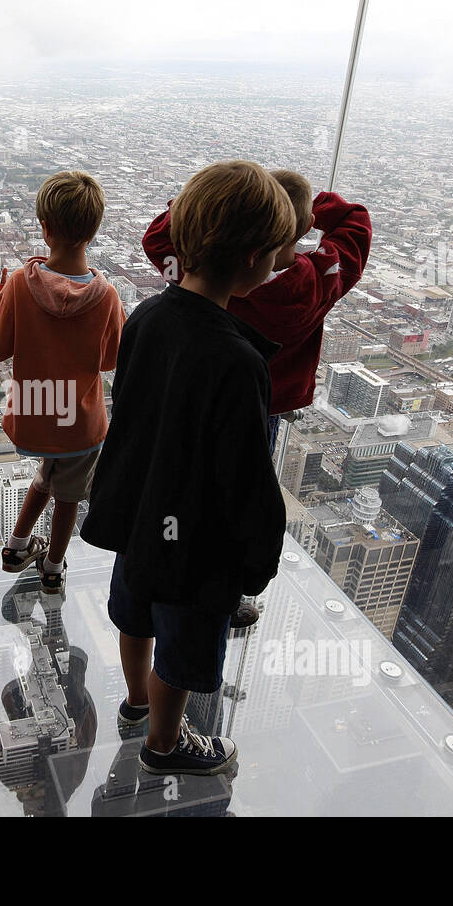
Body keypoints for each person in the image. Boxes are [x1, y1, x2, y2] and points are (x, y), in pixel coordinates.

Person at [81, 160, 295, 776]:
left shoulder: (147, 316)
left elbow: (137, 422)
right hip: (195, 538)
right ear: (255, 257)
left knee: (135, 611)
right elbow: (245, 476)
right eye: (278, 252)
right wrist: (254, 559)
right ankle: (164, 746)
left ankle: (133, 702)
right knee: (184, 639)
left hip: (146, 518)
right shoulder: (237, 359)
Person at [142, 169, 371, 628]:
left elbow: (159, 237)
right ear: (300, 229)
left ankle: (163, 558)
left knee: (177, 485)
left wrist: (245, 191)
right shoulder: (312, 282)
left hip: (188, 397)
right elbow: (355, 228)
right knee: (238, 492)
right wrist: (307, 209)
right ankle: (224, 582)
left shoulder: (197, 264)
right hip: (263, 407)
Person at [0, 170, 125, 593]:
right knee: (68, 496)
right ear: (94, 232)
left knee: (47, 472)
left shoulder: (21, 284)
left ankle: (17, 545)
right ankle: (54, 568)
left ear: (44, 228)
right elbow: (112, 358)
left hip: (35, 414)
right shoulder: (108, 296)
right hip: (79, 422)